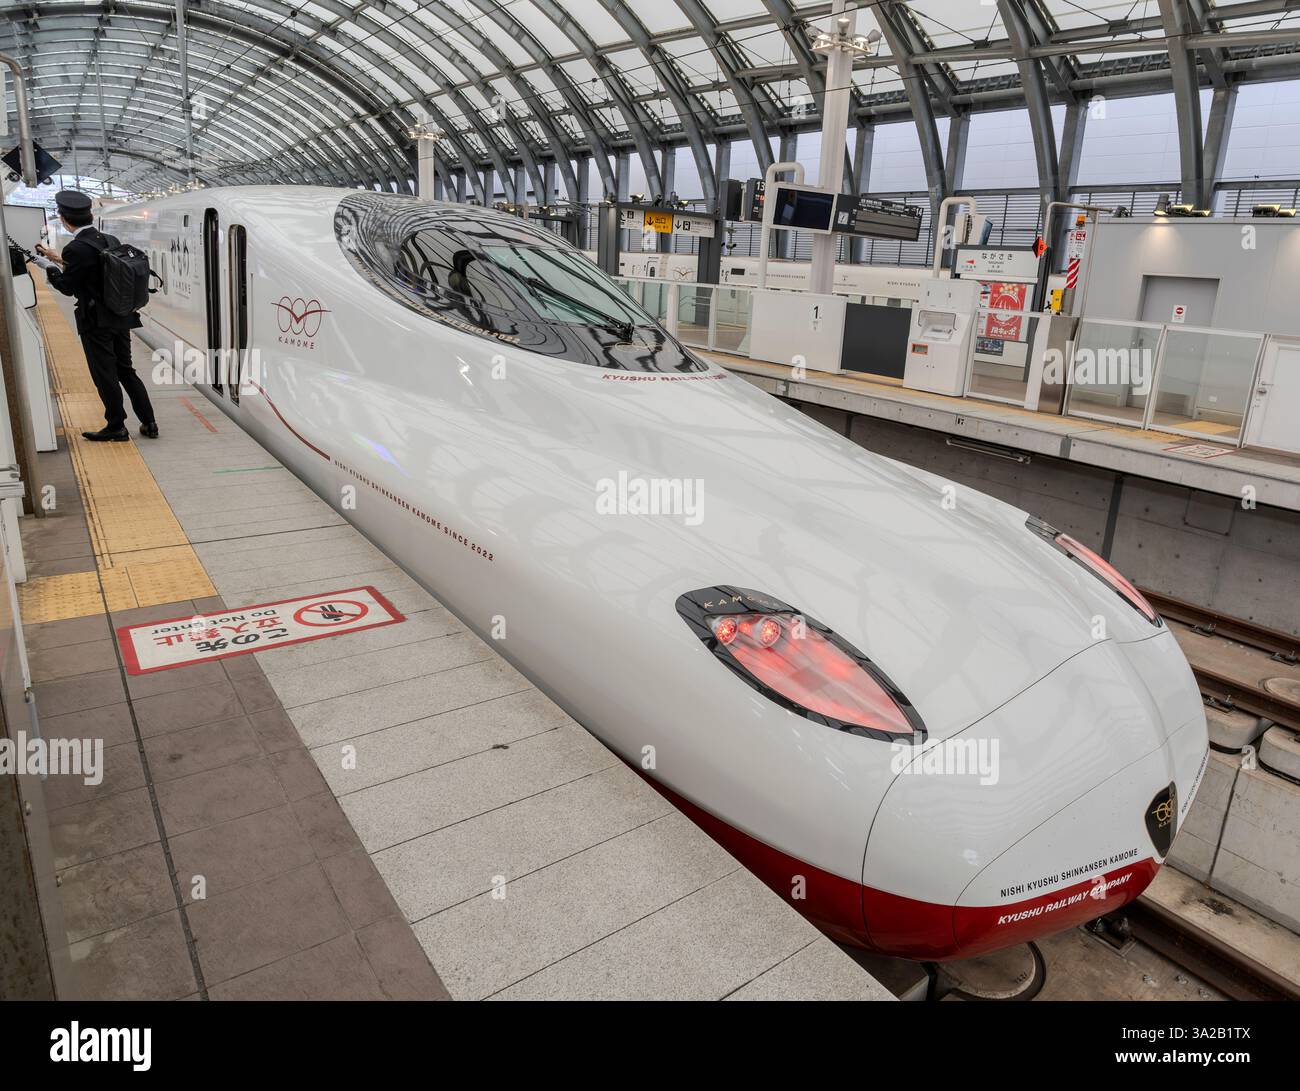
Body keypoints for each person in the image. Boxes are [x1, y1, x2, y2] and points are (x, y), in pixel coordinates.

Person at [31, 191, 158, 442]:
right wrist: (56, 258)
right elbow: (99, 273)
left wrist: (50, 270)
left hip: (96, 321)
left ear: (64, 220)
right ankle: (149, 422)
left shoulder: (75, 248)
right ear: (90, 215)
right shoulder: (110, 239)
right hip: (121, 316)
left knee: (105, 374)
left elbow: (69, 288)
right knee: (126, 370)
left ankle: (116, 426)